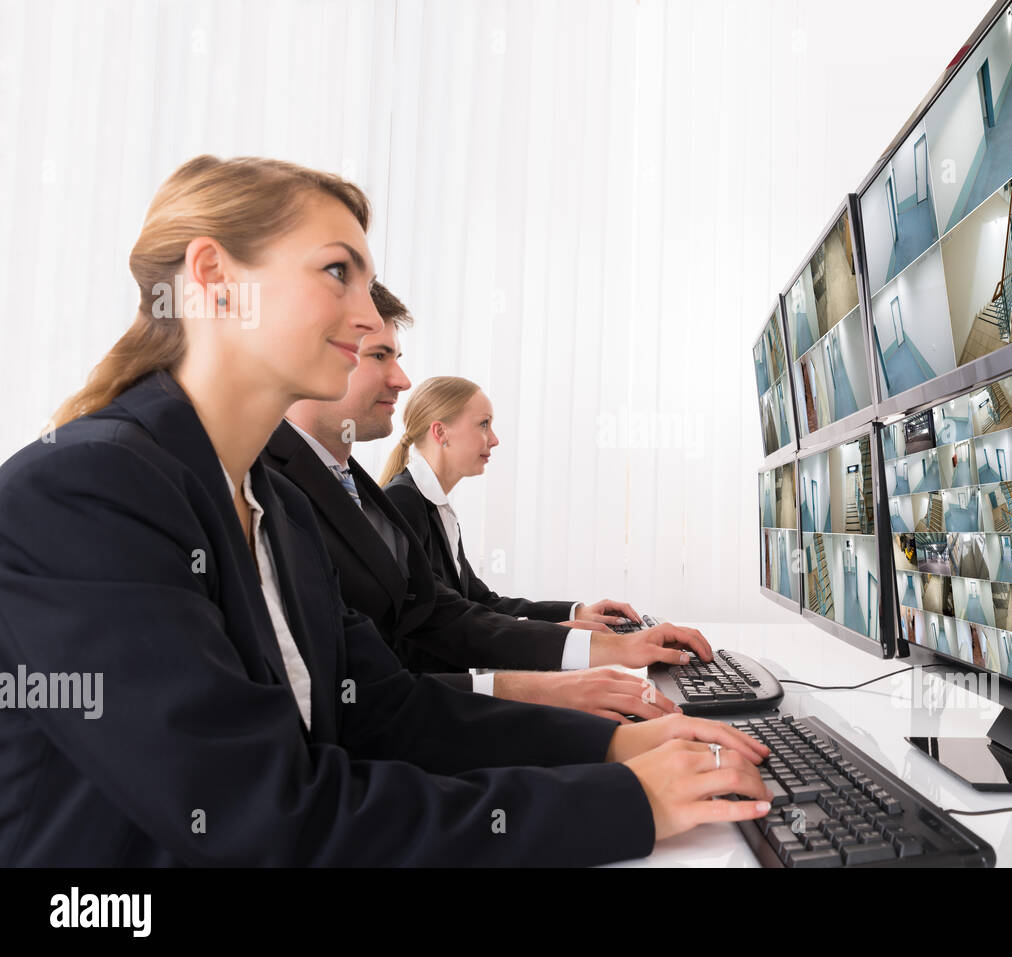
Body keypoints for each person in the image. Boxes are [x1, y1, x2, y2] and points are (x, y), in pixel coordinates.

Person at [0, 155, 770, 865]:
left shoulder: (278, 506)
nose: (371, 318)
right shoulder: (87, 491)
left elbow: (385, 710)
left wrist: (610, 750)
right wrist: (622, 802)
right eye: (339, 272)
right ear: (215, 277)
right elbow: (260, 816)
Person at [263, 283, 693, 721]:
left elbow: (453, 612)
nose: (402, 379)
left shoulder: (365, 492)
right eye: (379, 355)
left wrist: (601, 644)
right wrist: (542, 687)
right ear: (440, 431)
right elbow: (376, 680)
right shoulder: (275, 490)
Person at [380, 376, 659, 643]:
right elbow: (437, 624)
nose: (495, 439)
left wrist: (575, 613)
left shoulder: (435, 506)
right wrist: (554, 635)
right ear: (440, 432)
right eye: (484, 424)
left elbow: (480, 602)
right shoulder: (403, 503)